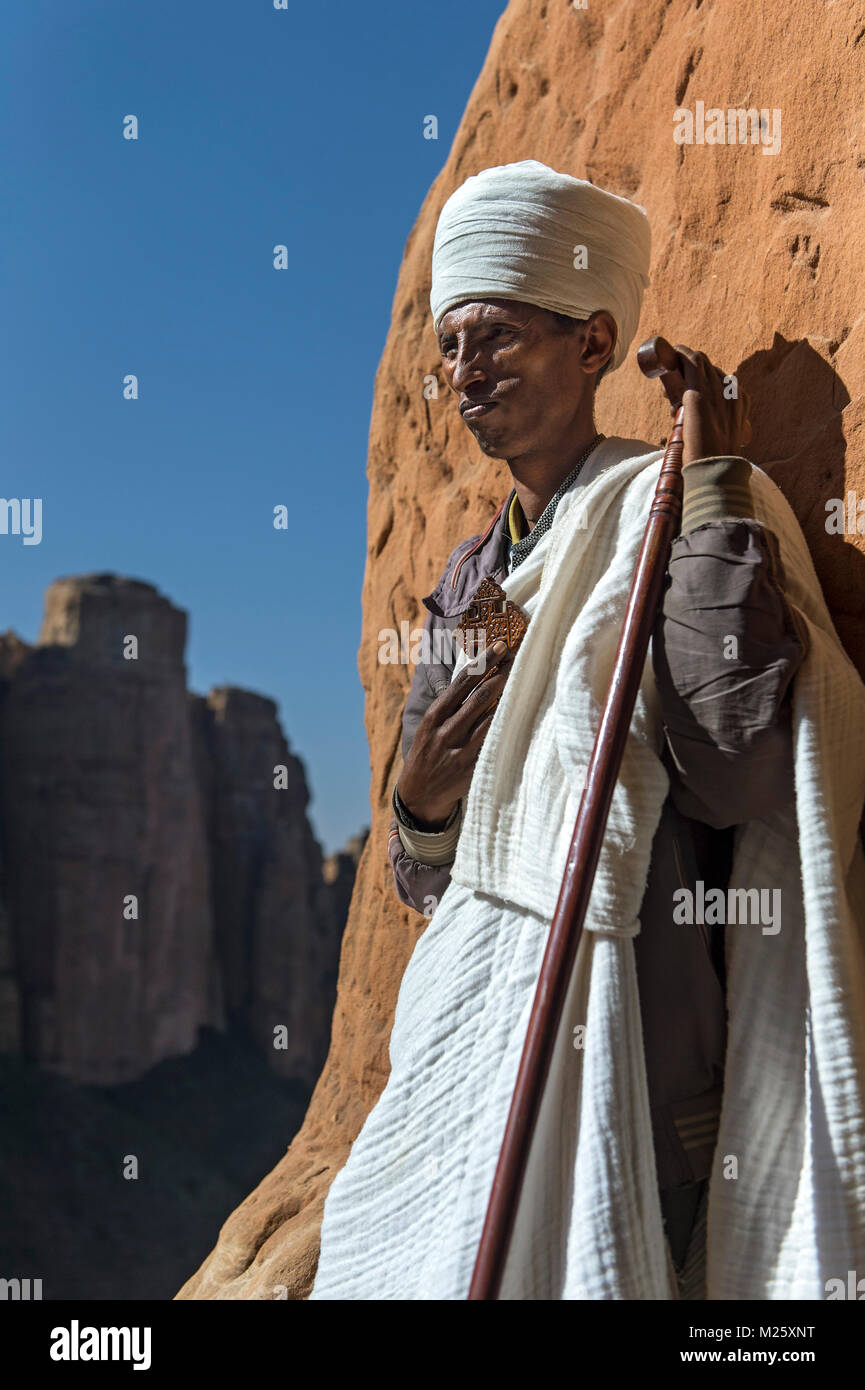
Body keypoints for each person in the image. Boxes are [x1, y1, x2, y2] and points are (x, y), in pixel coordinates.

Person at [310, 161, 865, 1301]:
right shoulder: (480, 578)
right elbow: (428, 872)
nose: (465, 372)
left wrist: (710, 481)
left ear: (594, 341)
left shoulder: (671, 507)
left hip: (639, 1059)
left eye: (499, 337)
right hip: (469, 1054)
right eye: (451, 344)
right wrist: (415, 803)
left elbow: (738, 762)